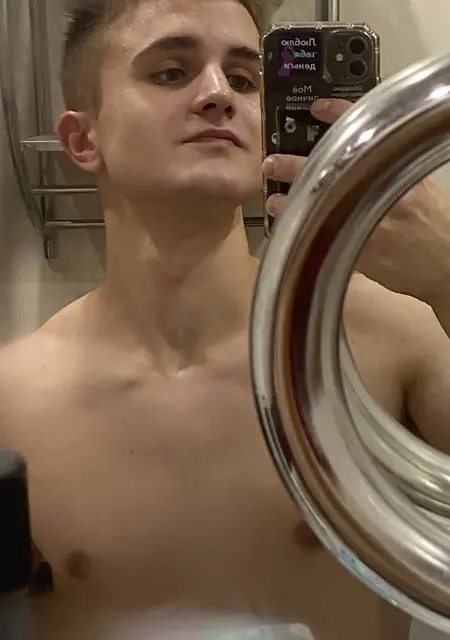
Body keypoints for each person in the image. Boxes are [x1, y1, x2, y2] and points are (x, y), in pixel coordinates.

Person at [1, 0, 450, 638]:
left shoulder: (392, 340)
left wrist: (446, 272)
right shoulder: (14, 401)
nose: (219, 94)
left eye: (243, 78)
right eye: (171, 72)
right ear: (83, 139)